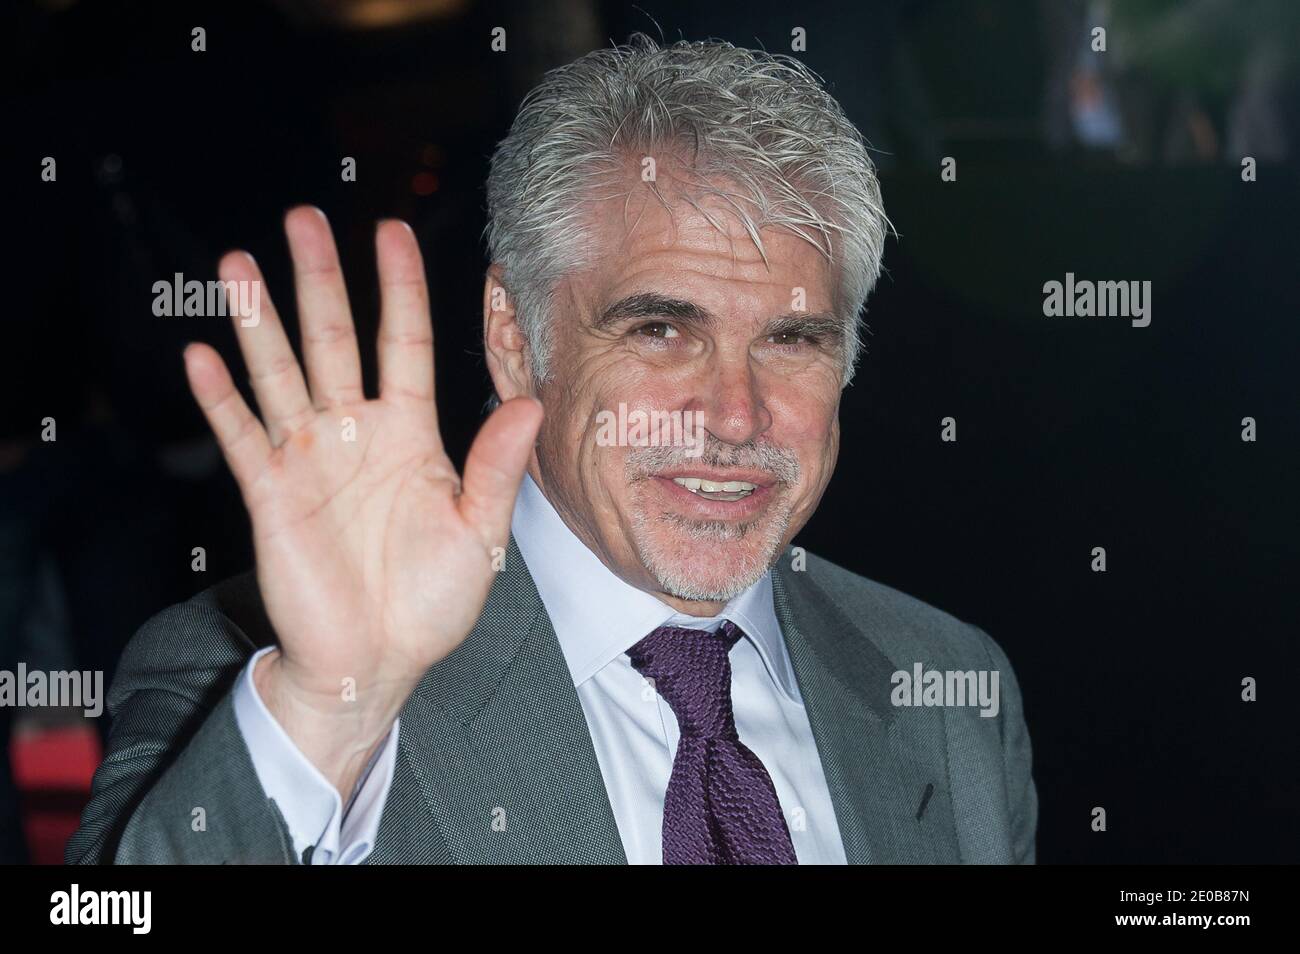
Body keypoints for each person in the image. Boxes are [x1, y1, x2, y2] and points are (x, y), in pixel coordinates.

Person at [67, 35, 1035, 865]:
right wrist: (332, 706)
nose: (736, 416)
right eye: (660, 330)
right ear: (514, 338)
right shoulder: (245, 669)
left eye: (792, 340)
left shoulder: (947, 683)